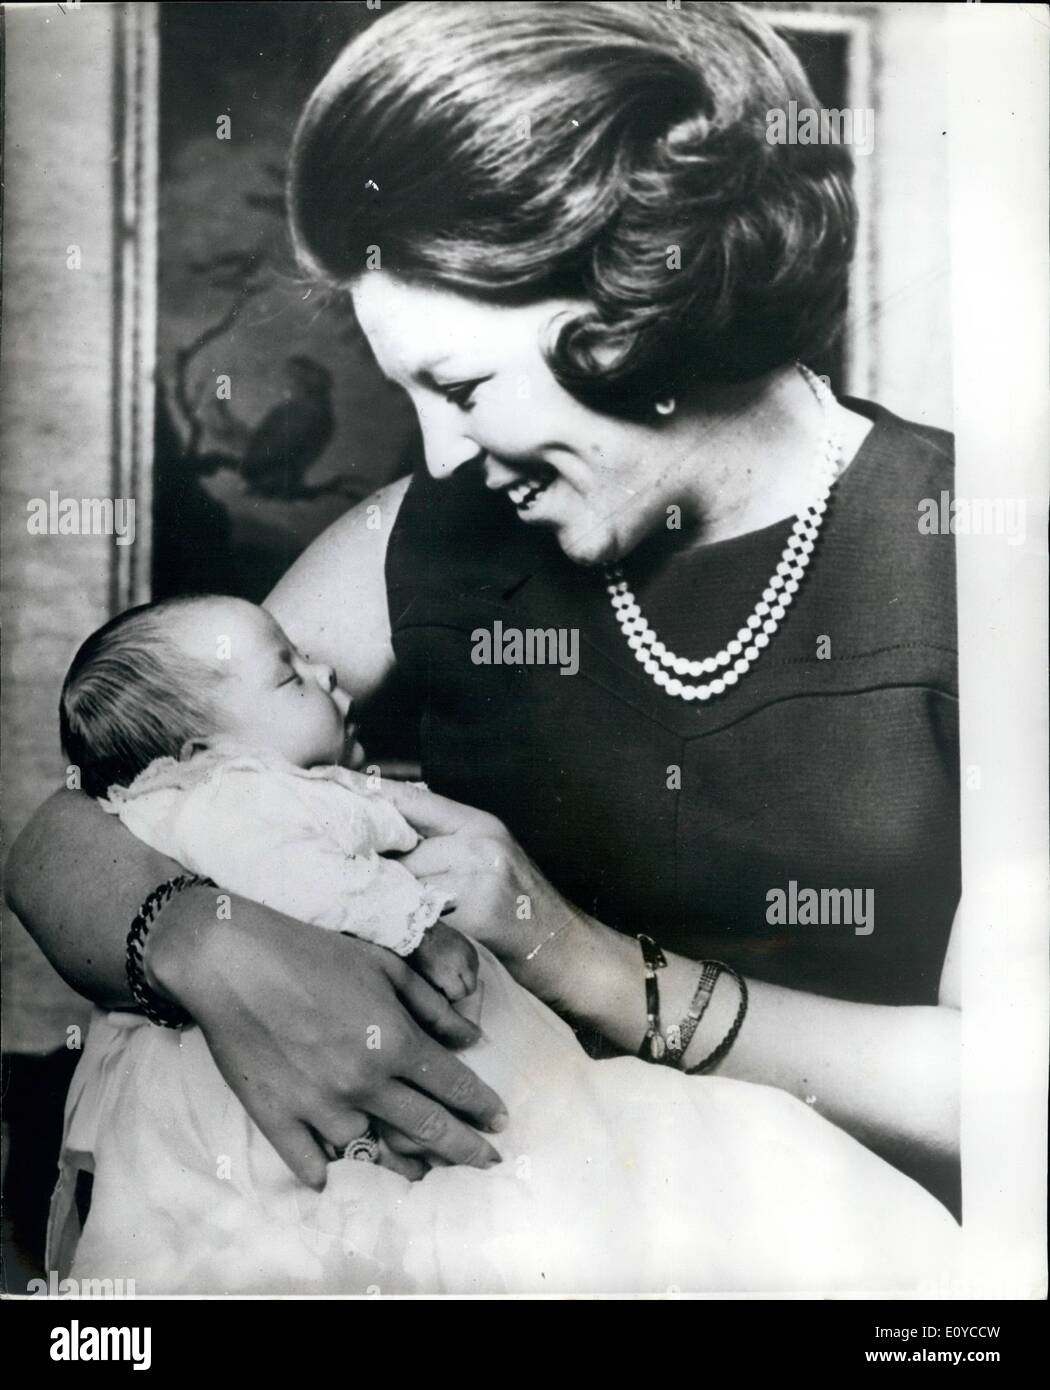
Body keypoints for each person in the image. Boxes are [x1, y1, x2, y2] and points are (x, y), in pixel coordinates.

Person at [7, 0, 961, 1255]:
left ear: (644, 298)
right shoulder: (435, 535)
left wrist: (584, 961)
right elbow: (69, 834)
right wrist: (206, 945)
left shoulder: (977, 552)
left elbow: (1008, 1085)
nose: (441, 451)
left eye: (461, 386)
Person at [47, 593, 959, 1294]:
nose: (328, 670)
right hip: (300, 1073)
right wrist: (405, 922)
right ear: (202, 749)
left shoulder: (259, 789)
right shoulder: (236, 799)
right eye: (289, 674)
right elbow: (289, 876)